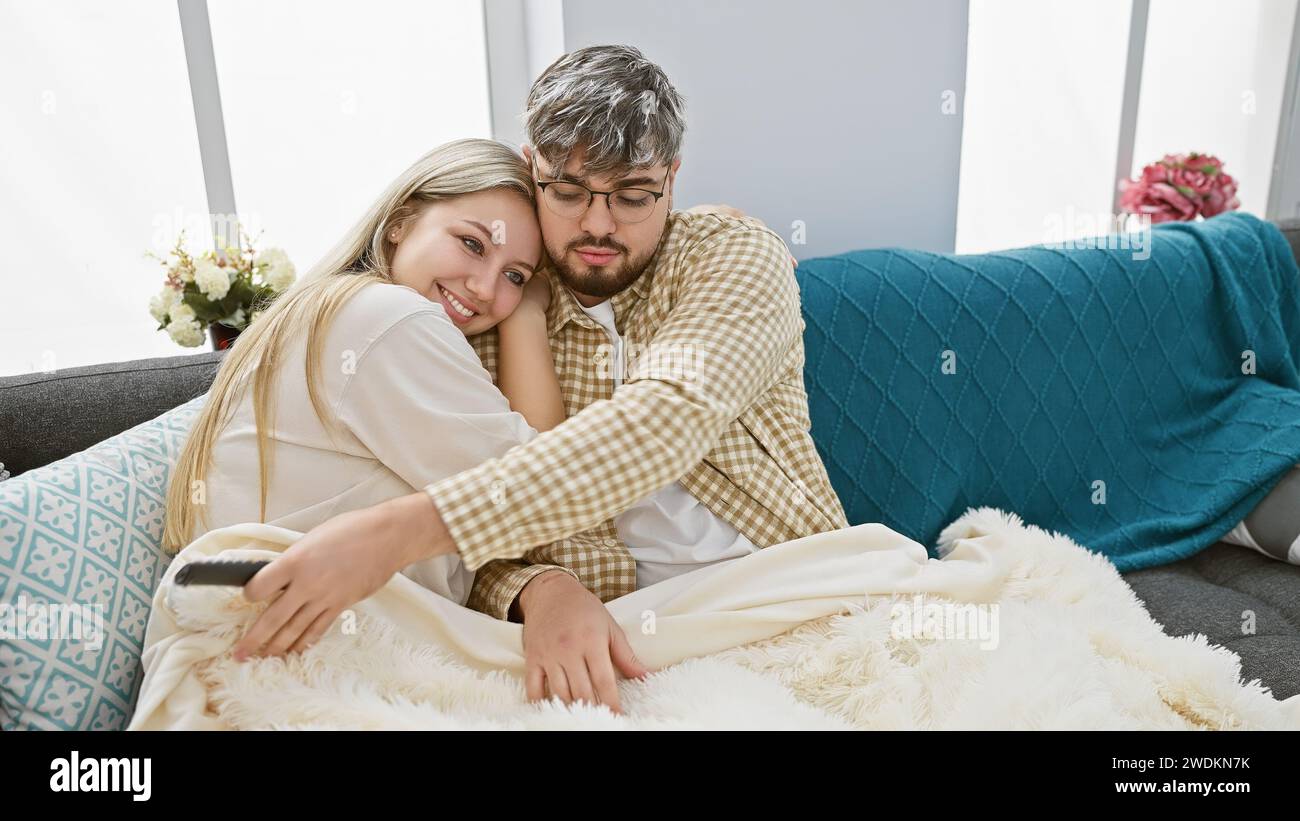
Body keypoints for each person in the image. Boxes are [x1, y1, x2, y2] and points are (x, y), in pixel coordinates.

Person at [226, 45, 850, 715]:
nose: (598, 224)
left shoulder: (728, 256)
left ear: (672, 179)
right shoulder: (484, 302)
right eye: (569, 191)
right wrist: (541, 586)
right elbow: (500, 519)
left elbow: (661, 424)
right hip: (619, 632)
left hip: (783, 586)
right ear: (533, 169)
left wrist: (396, 532)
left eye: (634, 196)